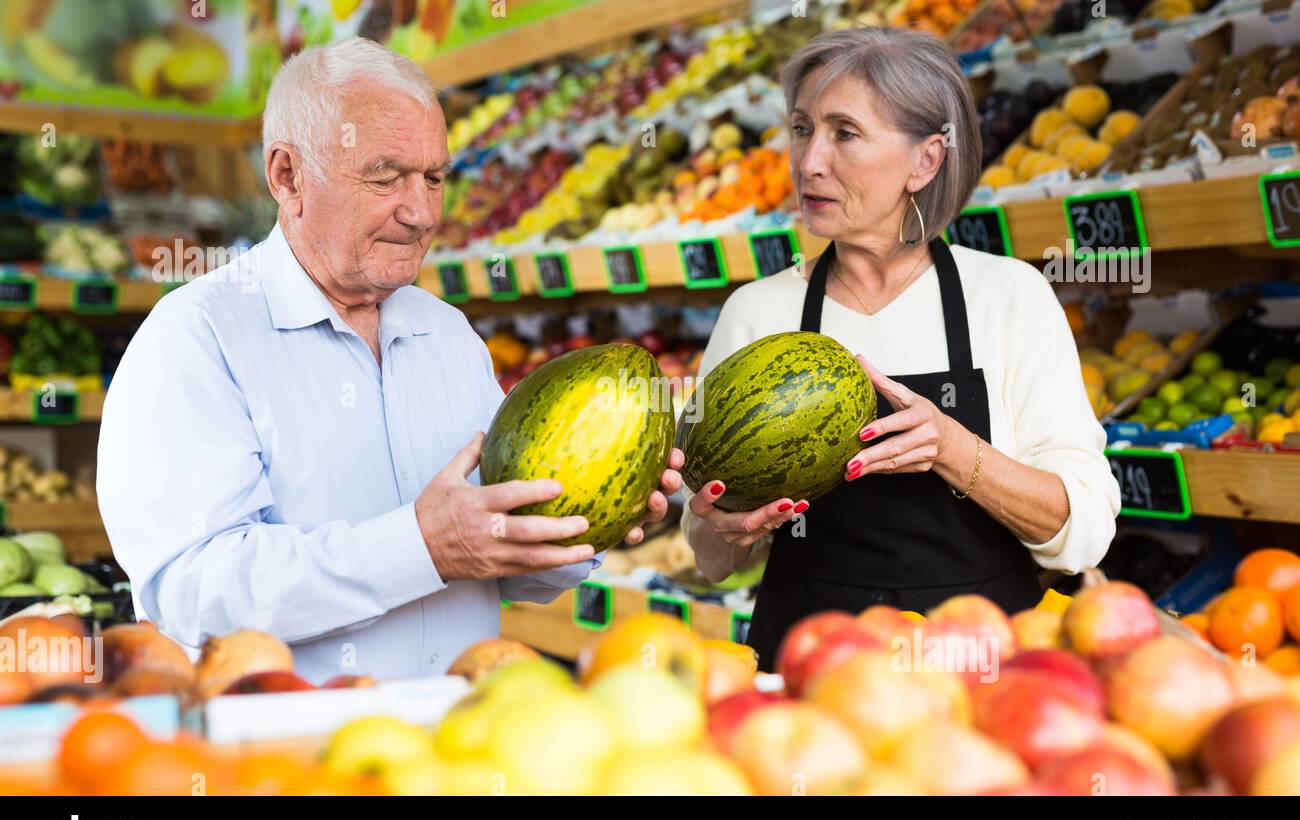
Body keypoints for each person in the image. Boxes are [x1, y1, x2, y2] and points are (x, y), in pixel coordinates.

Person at [97, 38, 682, 682]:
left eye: (434, 177)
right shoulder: (197, 338)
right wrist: (419, 548)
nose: (422, 213)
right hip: (288, 756)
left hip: (454, 745)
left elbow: (504, 564)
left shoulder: (449, 335)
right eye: (385, 177)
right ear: (288, 175)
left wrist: (585, 527)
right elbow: (193, 590)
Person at [681, 27, 1120, 671]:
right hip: (810, 674)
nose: (809, 162)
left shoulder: (1008, 297)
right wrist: (726, 527)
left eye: (844, 133)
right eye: (802, 129)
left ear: (926, 161)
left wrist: (950, 447)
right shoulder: (758, 312)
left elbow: (1083, 531)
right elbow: (708, 554)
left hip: (980, 673)